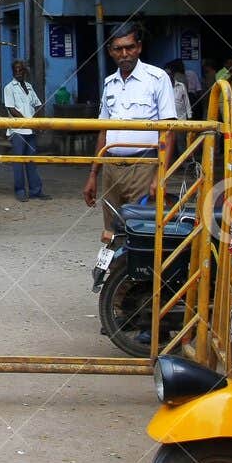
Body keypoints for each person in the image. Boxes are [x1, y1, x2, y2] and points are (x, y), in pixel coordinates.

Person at [83, 22, 178, 287]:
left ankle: (138, 294)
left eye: (129, 47)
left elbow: (169, 131)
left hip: (144, 166)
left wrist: (160, 175)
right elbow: (103, 130)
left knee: (140, 232)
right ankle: (116, 293)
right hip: (112, 167)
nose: (124, 54)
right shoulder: (109, 84)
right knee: (112, 234)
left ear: (139, 47)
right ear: (110, 51)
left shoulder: (157, 79)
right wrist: (93, 174)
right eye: (118, 49)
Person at [2, 59, 49, 201]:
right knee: (18, 162)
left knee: (31, 161)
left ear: (25, 72)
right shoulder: (9, 88)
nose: (18, 72)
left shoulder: (29, 86)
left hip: (30, 131)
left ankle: (36, 190)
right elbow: (11, 109)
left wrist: (38, 122)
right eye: (15, 70)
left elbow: (38, 105)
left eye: (20, 70)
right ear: (13, 72)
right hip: (17, 131)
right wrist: (27, 122)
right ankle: (20, 191)